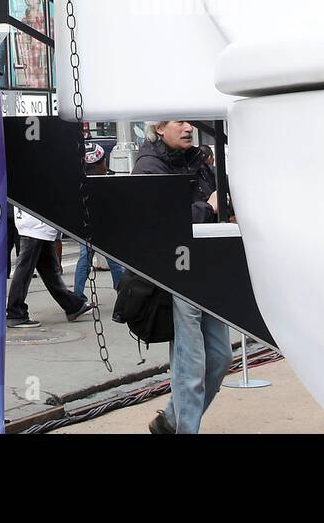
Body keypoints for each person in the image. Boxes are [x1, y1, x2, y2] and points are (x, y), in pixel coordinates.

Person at [133, 121, 232, 434]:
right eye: (180, 122)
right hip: (176, 275)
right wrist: (210, 206)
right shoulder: (149, 167)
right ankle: (184, 429)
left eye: (190, 121)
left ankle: (172, 421)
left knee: (219, 357)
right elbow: (159, 222)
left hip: (206, 271)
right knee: (190, 364)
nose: (189, 127)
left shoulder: (198, 161)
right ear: (159, 129)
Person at [6, 204, 92, 328]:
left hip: (38, 224)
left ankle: (73, 305)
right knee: (26, 269)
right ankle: (15, 312)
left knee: (49, 270)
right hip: (36, 223)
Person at [72, 141, 123, 301]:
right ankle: (122, 294)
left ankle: (77, 296)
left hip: (86, 225)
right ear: (102, 162)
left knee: (84, 258)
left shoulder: (79, 182)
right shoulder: (107, 181)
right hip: (104, 226)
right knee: (114, 261)